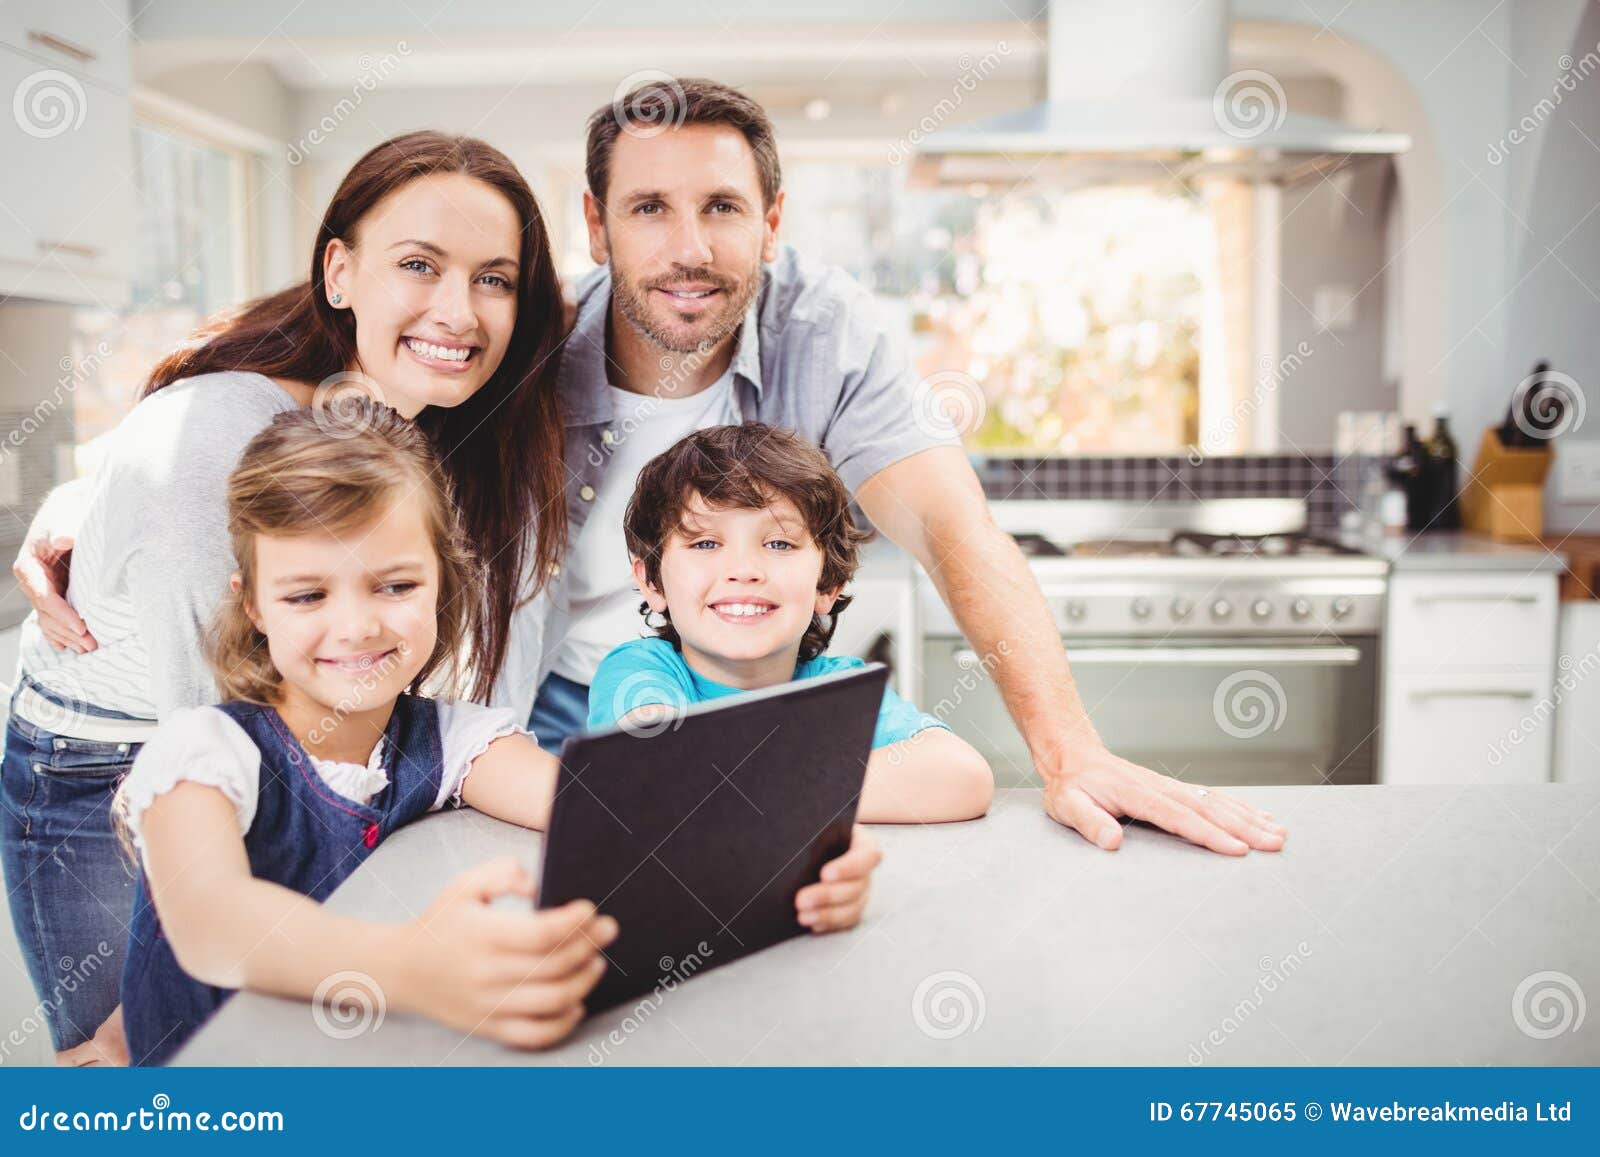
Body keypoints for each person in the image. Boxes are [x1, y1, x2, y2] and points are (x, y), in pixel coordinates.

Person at [511, 77, 1288, 858]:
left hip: (759, 711)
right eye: (649, 208)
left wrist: (1070, 752)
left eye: (722, 206)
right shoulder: (526, 344)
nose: (691, 250)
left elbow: (954, 530)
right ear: (597, 226)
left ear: (772, 222)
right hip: (546, 710)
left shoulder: (827, 331)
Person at [3, 130, 569, 1065]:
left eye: (495, 279)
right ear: (339, 272)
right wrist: (124, 1028)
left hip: (276, 743)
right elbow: (230, 756)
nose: (459, 311)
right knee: (163, 1072)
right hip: (105, 764)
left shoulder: (425, 433)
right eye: (419, 264)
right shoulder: (213, 437)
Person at [115, 402, 881, 1066]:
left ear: (445, 582)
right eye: (308, 593)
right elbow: (212, 923)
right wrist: (416, 967)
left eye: (396, 584)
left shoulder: (452, 739)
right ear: (252, 605)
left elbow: (625, 816)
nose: (357, 624)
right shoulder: (202, 754)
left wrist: (795, 870)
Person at [588, 422, 993, 824]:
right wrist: (815, 786)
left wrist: (767, 788)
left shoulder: (838, 690)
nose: (744, 570)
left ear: (828, 584)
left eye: (779, 543)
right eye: (705, 543)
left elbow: (963, 777)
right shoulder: (638, 672)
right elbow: (651, 776)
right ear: (652, 581)